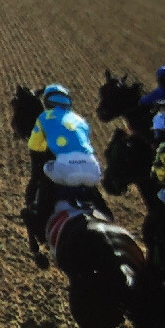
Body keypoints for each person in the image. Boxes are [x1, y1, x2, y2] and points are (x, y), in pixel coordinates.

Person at [22, 83, 105, 235]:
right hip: (93, 169)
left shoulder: (44, 117)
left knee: (44, 174)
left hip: (65, 168)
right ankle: (106, 214)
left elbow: (34, 146)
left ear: (47, 102)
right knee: (97, 198)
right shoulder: (80, 120)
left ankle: (40, 218)